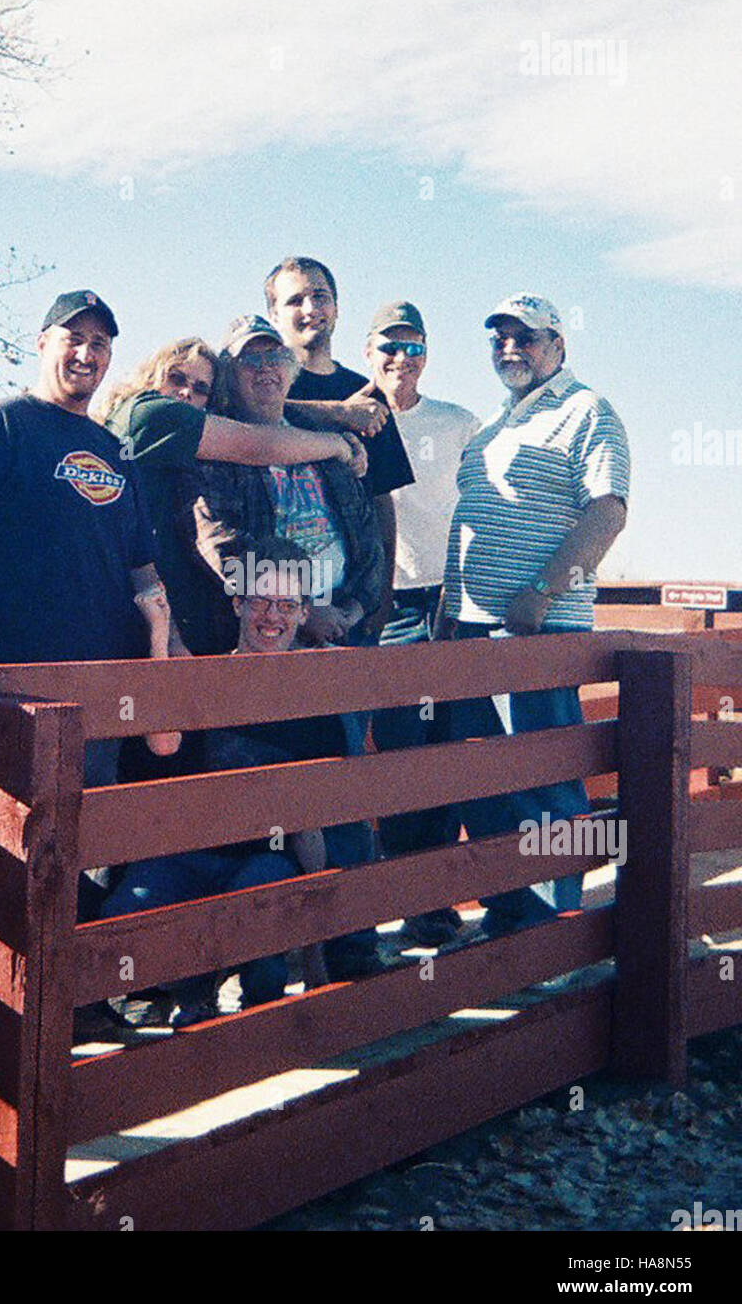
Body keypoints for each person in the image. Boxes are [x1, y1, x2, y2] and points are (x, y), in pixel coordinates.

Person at [0, 288, 180, 914]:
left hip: (89, 692)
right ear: (43, 344)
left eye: (100, 343)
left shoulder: (115, 452)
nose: (87, 353)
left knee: (77, 862)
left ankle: (76, 1010)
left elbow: (140, 564)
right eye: (74, 338)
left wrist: (162, 643)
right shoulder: (0, 424)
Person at [102, 537, 383, 1026]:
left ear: (302, 615)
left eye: (287, 605)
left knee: (262, 917)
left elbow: (310, 830)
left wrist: (316, 965)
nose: (271, 616)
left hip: (264, 861)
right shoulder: (203, 678)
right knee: (125, 917)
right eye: (260, 601)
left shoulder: (315, 707)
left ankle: (256, 1006)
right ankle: (189, 987)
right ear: (237, 603)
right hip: (192, 853)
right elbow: (161, 758)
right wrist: (160, 638)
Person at [437, 293, 630, 937]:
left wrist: (542, 593)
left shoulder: (587, 411)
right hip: (471, 633)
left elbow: (606, 513)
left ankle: (554, 927)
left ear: (558, 345)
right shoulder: (494, 427)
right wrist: (448, 612)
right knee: (487, 775)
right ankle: (510, 916)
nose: (510, 348)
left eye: (526, 337)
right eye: (499, 338)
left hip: (538, 633)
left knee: (544, 779)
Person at [93, 332, 367, 655]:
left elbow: (266, 409)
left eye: (200, 389)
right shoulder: (150, 414)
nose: (185, 392)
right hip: (126, 610)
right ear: (153, 375)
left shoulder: (182, 437)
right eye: (176, 378)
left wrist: (332, 412)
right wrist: (338, 443)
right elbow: (255, 445)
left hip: (173, 611)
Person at [364, 301, 479, 947]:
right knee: (395, 750)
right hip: (385, 605)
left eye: (413, 347)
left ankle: (433, 906)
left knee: (449, 753)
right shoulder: (355, 417)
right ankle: (383, 895)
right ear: (368, 350)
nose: (401, 359)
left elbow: (484, 510)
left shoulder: (459, 423)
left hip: (450, 600)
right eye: (390, 346)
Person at [185, 315, 385, 652]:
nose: (264, 368)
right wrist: (299, 608)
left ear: (290, 369)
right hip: (269, 633)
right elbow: (219, 542)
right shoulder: (214, 448)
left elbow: (367, 535)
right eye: (249, 360)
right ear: (228, 378)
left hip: (345, 629)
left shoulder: (329, 442)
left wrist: (350, 613)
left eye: (274, 357)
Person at [264, 255, 415, 641]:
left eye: (321, 296)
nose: (311, 309)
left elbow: (382, 503)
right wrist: (337, 415)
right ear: (274, 314)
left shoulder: (369, 395)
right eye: (295, 300)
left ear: (336, 308)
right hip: (269, 609)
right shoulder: (259, 384)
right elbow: (246, 419)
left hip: (352, 611)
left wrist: (381, 601)